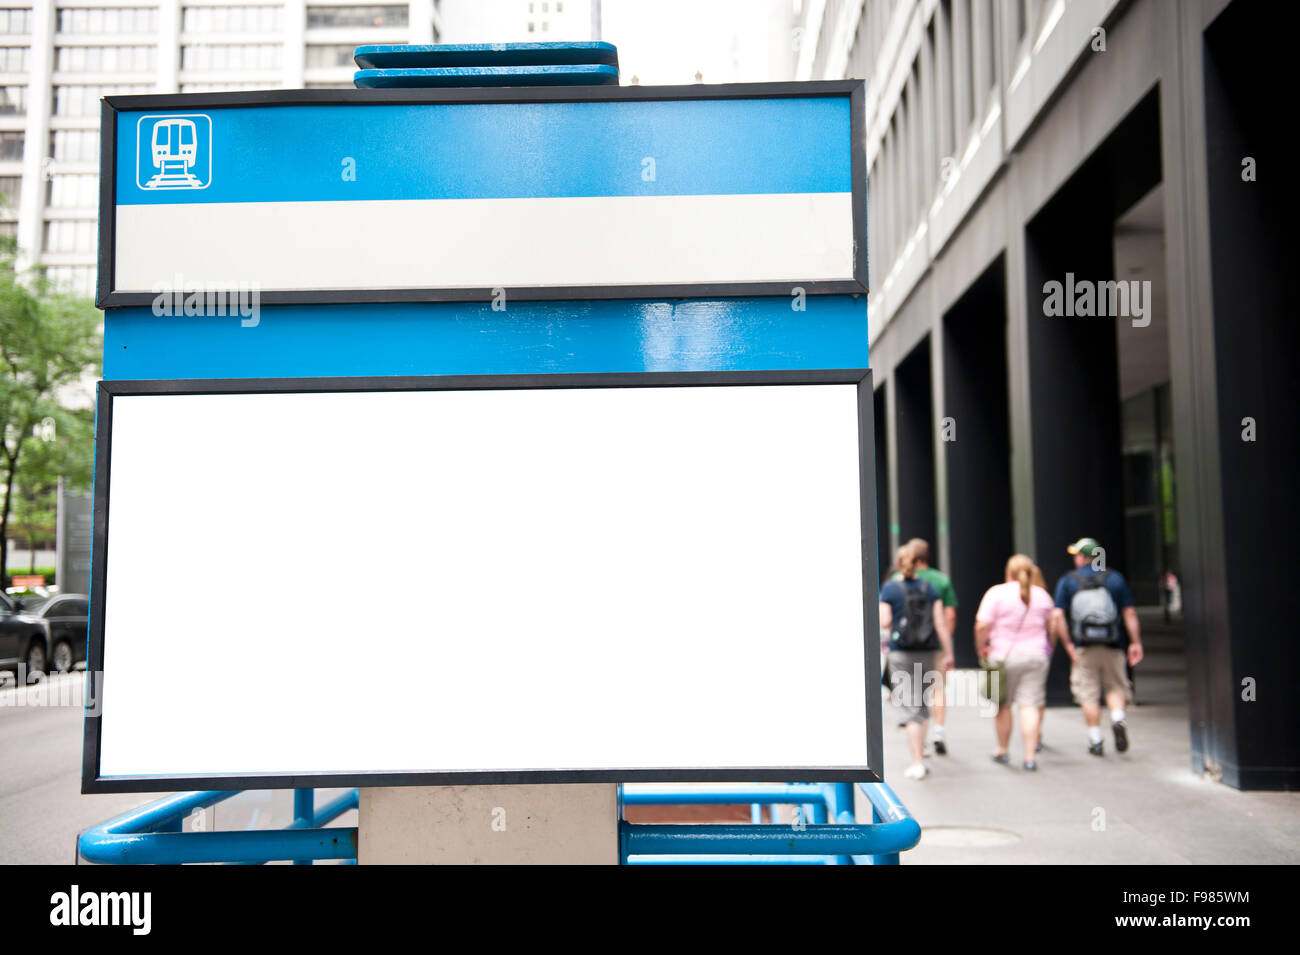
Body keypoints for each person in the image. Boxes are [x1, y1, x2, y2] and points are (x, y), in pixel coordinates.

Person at [1051, 537, 1144, 756]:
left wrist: (1068, 645)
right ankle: (1118, 718)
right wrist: (1136, 642)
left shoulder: (1068, 581)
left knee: (1088, 694)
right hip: (1113, 644)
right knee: (1116, 687)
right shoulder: (1115, 579)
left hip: (1084, 646)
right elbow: (1129, 612)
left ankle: (1095, 739)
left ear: (1083, 557)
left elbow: (1057, 616)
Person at [975, 555, 1065, 770]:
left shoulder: (996, 593)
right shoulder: (1042, 595)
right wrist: (1048, 648)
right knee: (1030, 705)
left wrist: (981, 648)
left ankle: (1003, 750)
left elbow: (981, 626)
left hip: (1002, 656)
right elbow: (1052, 627)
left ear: (1009, 572)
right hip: (1036, 656)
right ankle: (1030, 755)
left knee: (1003, 705)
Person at [879, 543, 953, 780]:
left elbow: (883, 621)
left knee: (909, 707)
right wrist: (948, 653)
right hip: (927, 651)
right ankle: (922, 751)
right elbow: (940, 623)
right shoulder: (930, 588)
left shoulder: (890, 588)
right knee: (921, 703)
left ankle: (917, 761)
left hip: (901, 652)